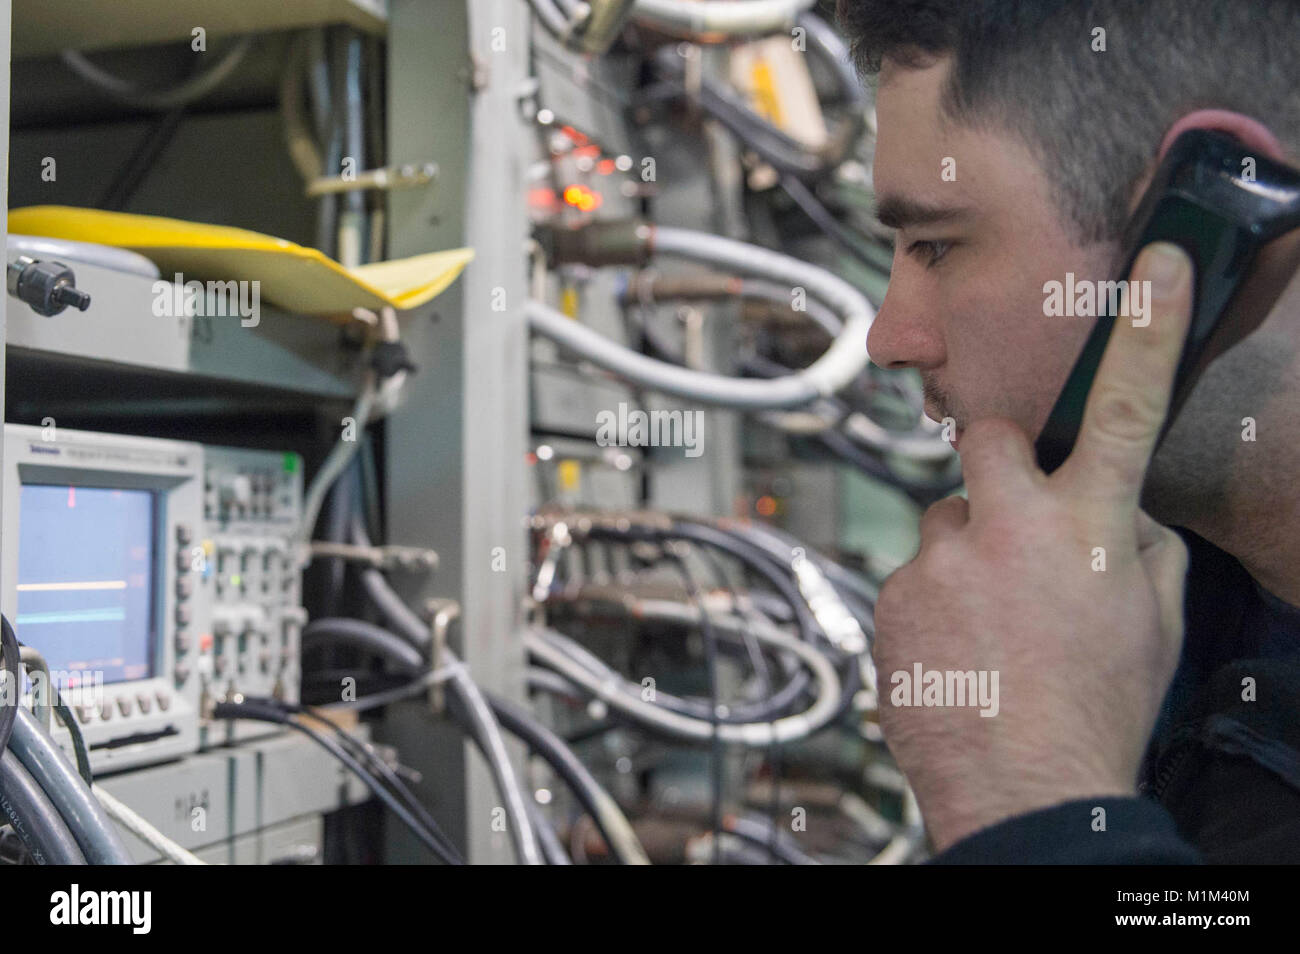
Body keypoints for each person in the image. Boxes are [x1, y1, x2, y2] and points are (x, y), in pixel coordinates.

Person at [835, 0, 1300, 862]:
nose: (890, 340)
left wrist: (1031, 801)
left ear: (1216, 221)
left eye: (936, 245)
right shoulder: (1154, 614)